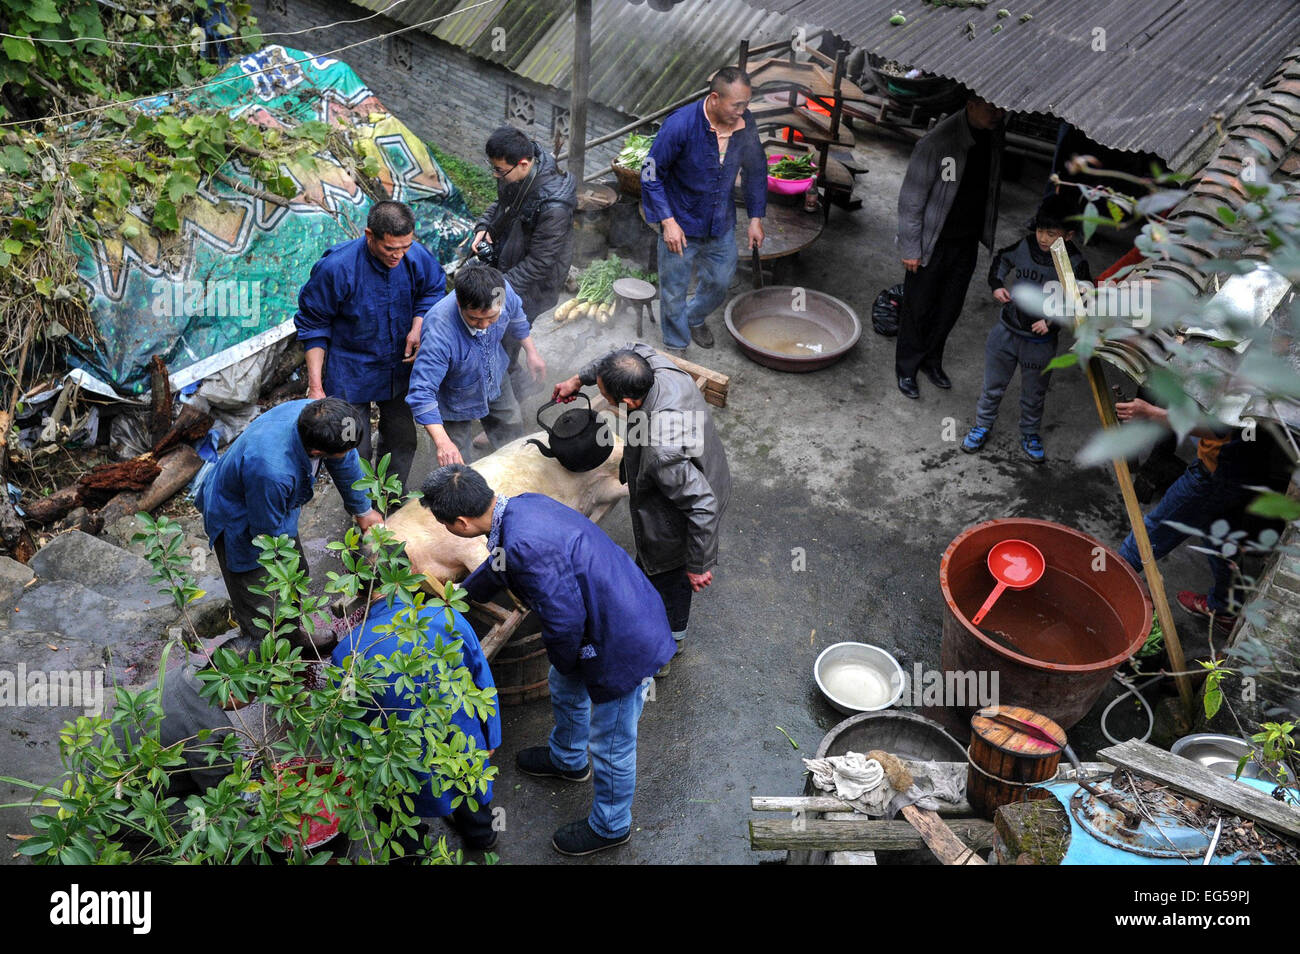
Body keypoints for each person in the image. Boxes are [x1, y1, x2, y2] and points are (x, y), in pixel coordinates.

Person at [420, 464, 674, 856]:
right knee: (563, 682)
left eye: (445, 525)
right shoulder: (519, 508)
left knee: (612, 743)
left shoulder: (524, 544)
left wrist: (570, 660)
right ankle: (569, 758)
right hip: (608, 610)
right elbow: (499, 565)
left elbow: (564, 619)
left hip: (624, 640)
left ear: (461, 522)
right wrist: (458, 599)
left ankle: (611, 826)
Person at [552, 343, 729, 673]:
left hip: (686, 508)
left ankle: (667, 648)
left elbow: (702, 504)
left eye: (603, 392)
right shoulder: (654, 368)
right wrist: (580, 379)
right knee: (653, 573)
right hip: (704, 464)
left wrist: (700, 562)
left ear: (628, 402)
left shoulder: (661, 452)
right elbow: (626, 348)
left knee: (666, 573)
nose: (599, 393)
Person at [196, 398, 383, 641]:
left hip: (271, 501)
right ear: (316, 453)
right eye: (343, 451)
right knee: (262, 592)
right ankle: (266, 655)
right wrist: (281, 561)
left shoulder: (322, 417)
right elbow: (267, 532)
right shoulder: (272, 471)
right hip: (238, 515)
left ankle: (292, 635)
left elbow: (345, 459)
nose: (348, 455)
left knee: (296, 572)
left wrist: (363, 509)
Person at [295, 200, 447, 491]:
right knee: (353, 445)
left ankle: (392, 498)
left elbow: (432, 289)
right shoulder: (337, 268)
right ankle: (362, 510)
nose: (399, 256)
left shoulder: (414, 256)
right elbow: (314, 323)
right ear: (369, 236)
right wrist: (316, 387)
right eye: (391, 249)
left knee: (402, 438)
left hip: (398, 367)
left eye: (405, 247)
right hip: (351, 372)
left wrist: (418, 324)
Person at [332, 592, 501, 852]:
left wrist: (361, 769)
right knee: (470, 788)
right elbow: (482, 679)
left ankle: (411, 855)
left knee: (398, 816)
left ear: (359, 587)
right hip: (459, 741)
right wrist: (491, 737)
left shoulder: (348, 652)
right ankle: (481, 836)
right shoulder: (449, 619)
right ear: (406, 573)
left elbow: (349, 717)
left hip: (394, 759)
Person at [1115, 400, 1294, 632]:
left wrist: (1151, 413)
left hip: (1215, 475)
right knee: (1220, 541)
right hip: (1245, 474)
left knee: (1147, 536)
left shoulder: (1253, 390)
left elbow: (1217, 429)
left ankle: (1100, 591)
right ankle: (1225, 609)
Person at [640, 66, 766, 355]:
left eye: (746, 104)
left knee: (721, 281)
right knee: (673, 290)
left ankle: (694, 316)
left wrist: (755, 218)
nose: (742, 111)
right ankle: (676, 346)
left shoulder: (745, 123)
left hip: (720, 224)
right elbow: (650, 174)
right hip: (681, 223)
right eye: (737, 105)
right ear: (714, 98)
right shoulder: (681, 125)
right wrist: (667, 221)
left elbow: (756, 169)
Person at [960, 194, 1090, 463]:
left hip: (1039, 345)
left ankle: (1030, 433)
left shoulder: (1072, 263)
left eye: (1050, 233)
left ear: (1068, 236)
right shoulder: (1025, 245)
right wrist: (996, 284)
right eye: (1040, 230)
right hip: (1005, 333)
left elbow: (1082, 300)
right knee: (992, 386)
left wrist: (1052, 321)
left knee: (1034, 394)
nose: (1042, 238)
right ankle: (982, 425)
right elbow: (1002, 259)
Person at [895, 96, 1006, 399]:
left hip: (965, 240)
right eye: (991, 107)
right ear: (970, 104)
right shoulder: (938, 142)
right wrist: (910, 247)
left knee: (949, 307)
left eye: (1001, 108)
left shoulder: (994, 134)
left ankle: (932, 360)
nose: (998, 114)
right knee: (919, 306)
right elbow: (911, 199)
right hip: (932, 241)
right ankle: (907, 367)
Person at [472, 126, 577, 398]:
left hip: (534, 286)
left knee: (504, 344)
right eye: (493, 168)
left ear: (524, 163)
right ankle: (508, 390)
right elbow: (501, 206)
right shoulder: (515, 175)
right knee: (496, 340)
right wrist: (485, 227)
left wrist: (495, 289)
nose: (496, 175)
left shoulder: (554, 207)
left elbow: (540, 263)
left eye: (500, 170)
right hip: (509, 265)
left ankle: (512, 408)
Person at [406, 262, 545, 465]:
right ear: (460, 304)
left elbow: (517, 318)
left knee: (511, 429)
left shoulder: (500, 292)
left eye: (492, 318)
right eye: (475, 319)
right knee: (456, 460)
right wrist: (443, 442)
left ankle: (514, 467)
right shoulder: (439, 331)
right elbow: (421, 394)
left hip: (495, 375)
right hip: (456, 394)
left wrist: (531, 352)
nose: (484, 325)